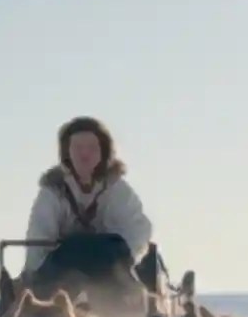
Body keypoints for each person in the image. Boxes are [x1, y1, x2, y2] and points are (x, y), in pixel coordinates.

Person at [21, 116, 154, 280]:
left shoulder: (117, 190)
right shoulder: (53, 191)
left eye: (92, 148)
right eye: (77, 147)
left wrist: (126, 262)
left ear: (103, 152)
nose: (84, 154)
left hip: (110, 270)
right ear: (67, 152)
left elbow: (136, 230)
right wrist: (31, 276)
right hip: (64, 271)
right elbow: (39, 236)